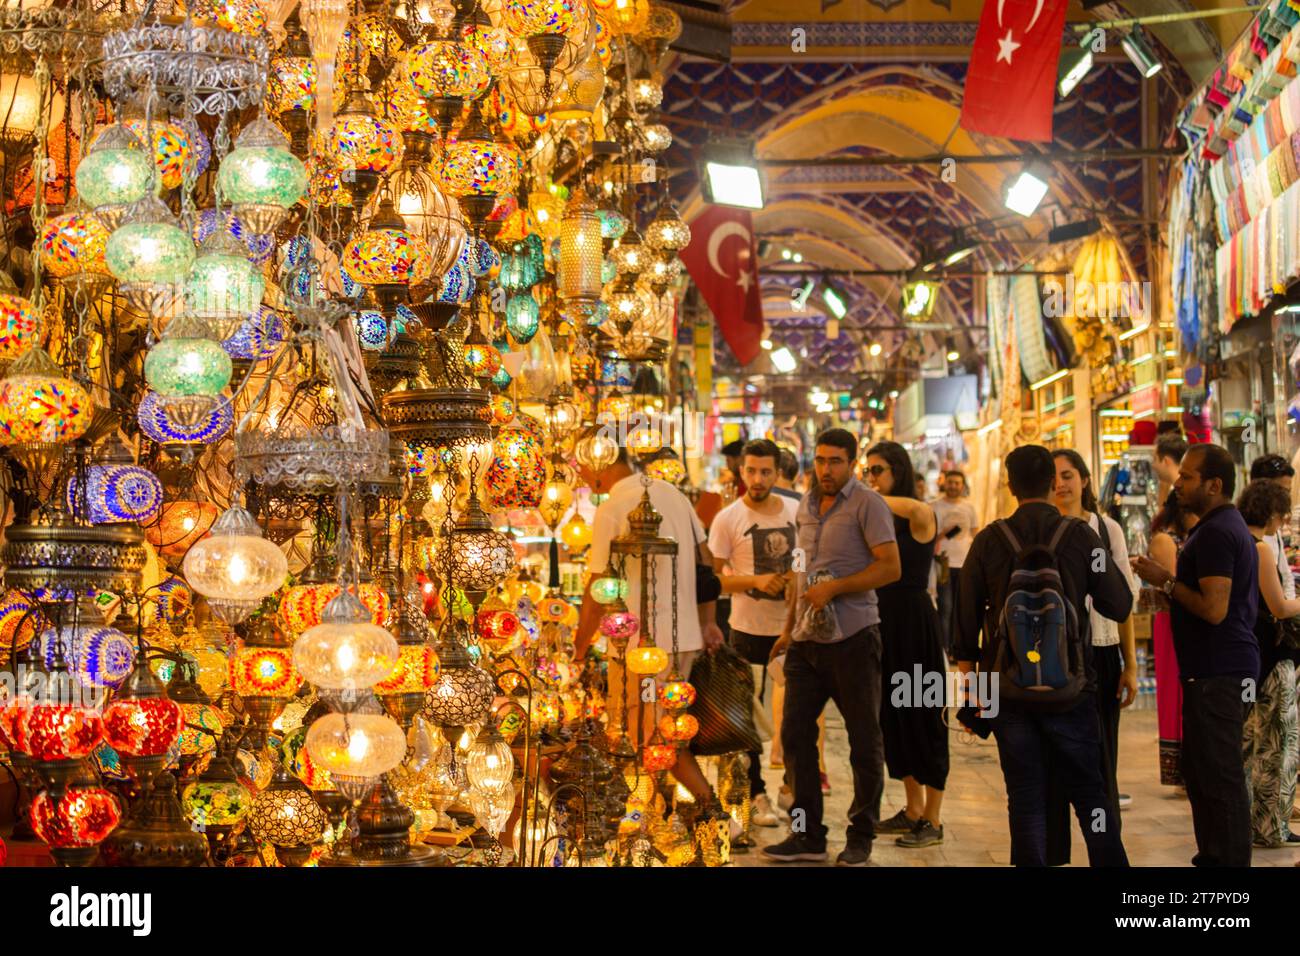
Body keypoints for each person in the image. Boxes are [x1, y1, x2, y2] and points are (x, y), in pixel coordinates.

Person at [956, 445, 1132, 867]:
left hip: (1009, 691)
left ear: (1010, 485)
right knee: (1092, 794)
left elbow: (963, 628)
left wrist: (976, 694)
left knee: (1026, 798)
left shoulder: (988, 541)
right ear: (1053, 483)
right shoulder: (1081, 535)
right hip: (1072, 688)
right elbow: (1120, 604)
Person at [763, 428, 901, 866]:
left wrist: (837, 588)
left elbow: (891, 568)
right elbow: (800, 571)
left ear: (852, 463)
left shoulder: (868, 504)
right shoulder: (805, 507)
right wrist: (788, 628)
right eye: (821, 460)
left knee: (864, 741)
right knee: (795, 735)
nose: (826, 469)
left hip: (854, 638)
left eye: (835, 461)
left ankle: (860, 837)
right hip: (806, 639)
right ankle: (808, 835)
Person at [574, 446, 725, 806]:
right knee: (660, 729)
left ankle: (713, 813)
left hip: (640, 648)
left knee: (650, 736)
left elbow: (598, 586)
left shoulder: (612, 508)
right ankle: (663, 811)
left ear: (601, 464)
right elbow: (707, 566)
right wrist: (707, 622)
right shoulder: (673, 494)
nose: (578, 475)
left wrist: (578, 647)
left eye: (580, 466)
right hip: (683, 636)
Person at [1132, 444, 1258, 867]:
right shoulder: (1216, 527)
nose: (1178, 484)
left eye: (1187, 477)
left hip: (1220, 670)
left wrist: (1165, 580)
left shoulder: (1220, 532)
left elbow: (1213, 608)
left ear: (1214, 484)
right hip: (1210, 669)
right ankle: (1214, 857)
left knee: (1220, 777)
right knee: (1204, 774)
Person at [1047, 449, 1138, 864]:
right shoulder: (1042, 530)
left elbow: (1125, 602)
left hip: (1100, 654)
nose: (1060, 484)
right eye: (1052, 477)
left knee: (1102, 761)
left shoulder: (1107, 530)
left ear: (1084, 479)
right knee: (1053, 762)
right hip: (1053, 659)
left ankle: (1105, 850)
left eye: (1068, 475)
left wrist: (1131, 666)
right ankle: (1055, 851)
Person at [863, 441, 949, 848]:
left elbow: (917, 510)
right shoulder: (875, 516)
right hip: (882, 623)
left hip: (915, 624)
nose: (871, 478)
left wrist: (870, 495)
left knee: (924, 715)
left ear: (897, 470)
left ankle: (932, 817)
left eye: (877, 470)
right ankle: (912, 808)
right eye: (867, 472)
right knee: (892, 719)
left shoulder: (919, 513)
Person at [708, 439, 798, 829]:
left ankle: (796, 791)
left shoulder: (797, 512)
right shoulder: (728, 518)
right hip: (747, 631)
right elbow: (711, 580)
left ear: (778, 473)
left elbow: (809, 560)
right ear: (740, 472)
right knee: (747, 718)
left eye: (765, 471)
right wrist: (757, 580)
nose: (757, 479)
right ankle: (755, 792)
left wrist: (796, 580)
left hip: (795, 630)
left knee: (798, 716)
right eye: (750, 471)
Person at [1236, 479, 1300, 847]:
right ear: (1274, 513)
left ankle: (1250, 821)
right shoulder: (1259, 548)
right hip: (1271, 655)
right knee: (1276, 744)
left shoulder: (1237, 541)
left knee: (1250, 741)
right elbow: (1278, 606)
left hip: (1251, 655)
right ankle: (1269, 824)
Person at [1148, 490, 1196, 789]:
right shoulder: (1166, 540)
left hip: (1192, 620)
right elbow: (1174, 585)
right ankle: (1181, 771)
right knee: (1175, 692)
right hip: (1172, 622)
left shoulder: (1197, 535)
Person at [932, 470, 978, 652]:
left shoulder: (969, 507)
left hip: (965, 563)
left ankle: (955, 647)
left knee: (960, 608)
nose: (953, 486)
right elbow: (928, 535)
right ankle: (944, 648)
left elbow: (975, 533)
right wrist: (944, 533)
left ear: (962, 486)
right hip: (942, 563)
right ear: (945, 483)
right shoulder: (934, 506)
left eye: (957, 483)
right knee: (945, 607)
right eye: (950, 482)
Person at [1249, 454, 1296, 602]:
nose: (1285, 498)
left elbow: (1286, 574)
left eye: (1287, 491)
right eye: (1280, 491)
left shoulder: (1273, 529)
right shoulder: (1251, 535)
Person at [1153, 431, 1189, 509]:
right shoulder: (1176, 491)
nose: (1153, 465)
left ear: (1166, 461)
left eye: (1155, 459)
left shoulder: (1181, 496)